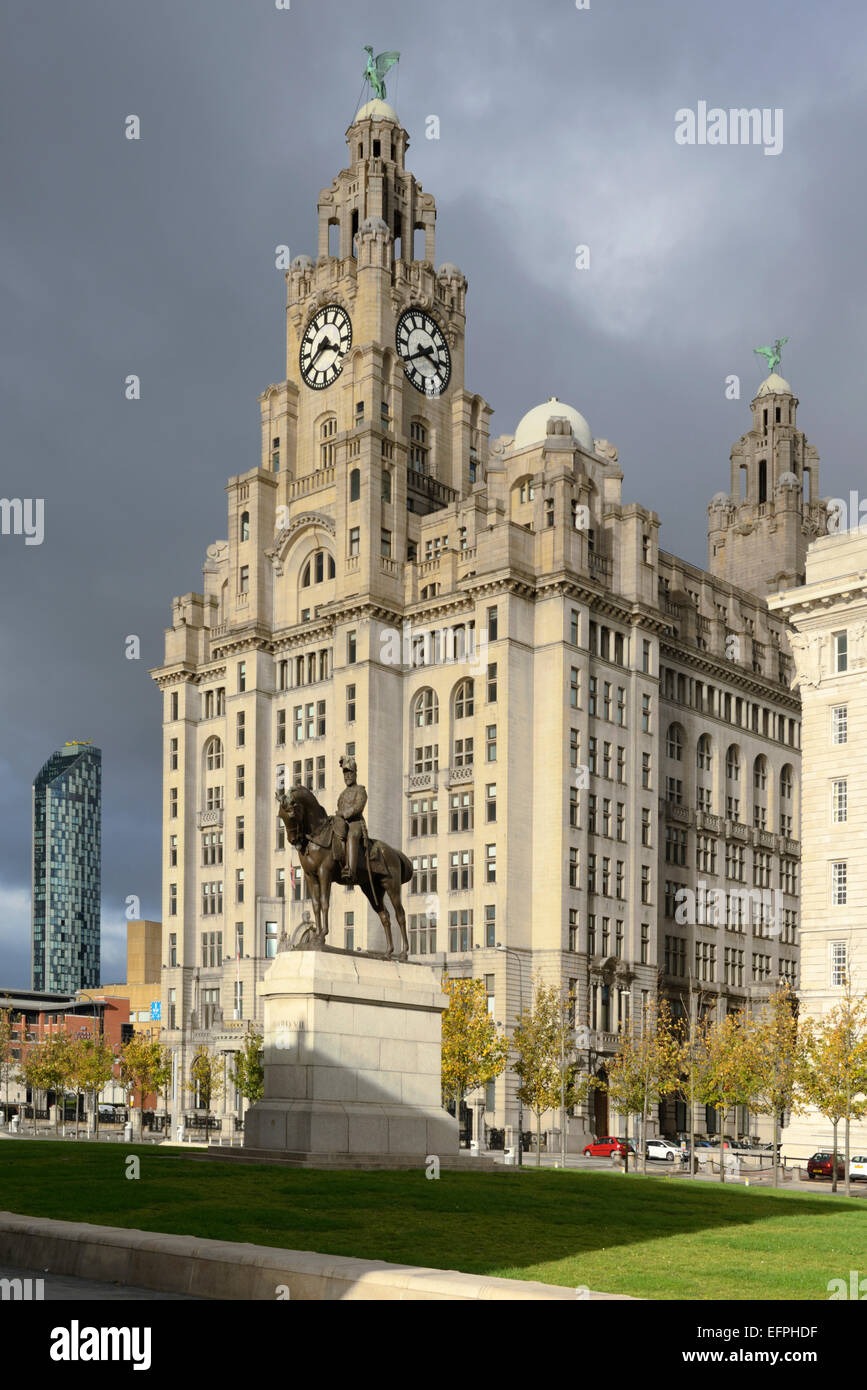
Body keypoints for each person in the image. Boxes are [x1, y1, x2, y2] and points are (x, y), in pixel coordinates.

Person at [333, 756, 368, 884]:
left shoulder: (360, 790)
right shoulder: (342, 794)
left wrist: (344, 814)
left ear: (355, 773)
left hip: (355, 823)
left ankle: (351, 870)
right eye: (345, 773)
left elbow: (358, 807)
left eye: (350, 773)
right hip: (342, 822)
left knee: (352, 835)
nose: (347, 776)